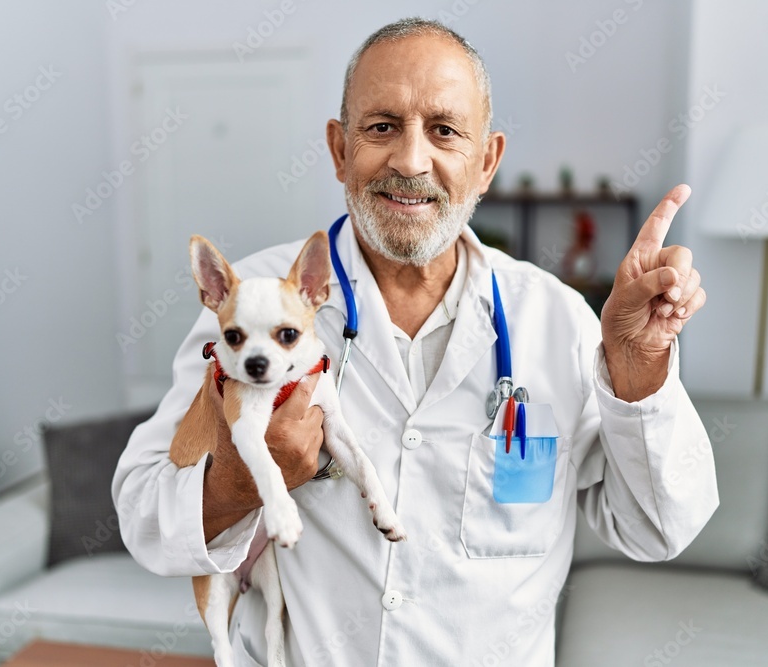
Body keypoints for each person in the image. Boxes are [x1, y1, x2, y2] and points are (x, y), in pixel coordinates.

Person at [113, 17, 718, 666]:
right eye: (381, 127)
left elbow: (660, 529)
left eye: (444, 130)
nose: (409, 160)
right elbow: (144, 515)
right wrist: (241, 482)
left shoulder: (556, 320)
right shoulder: (252, 308)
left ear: (486, 162)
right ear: (339, 150)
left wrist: (640, 366)